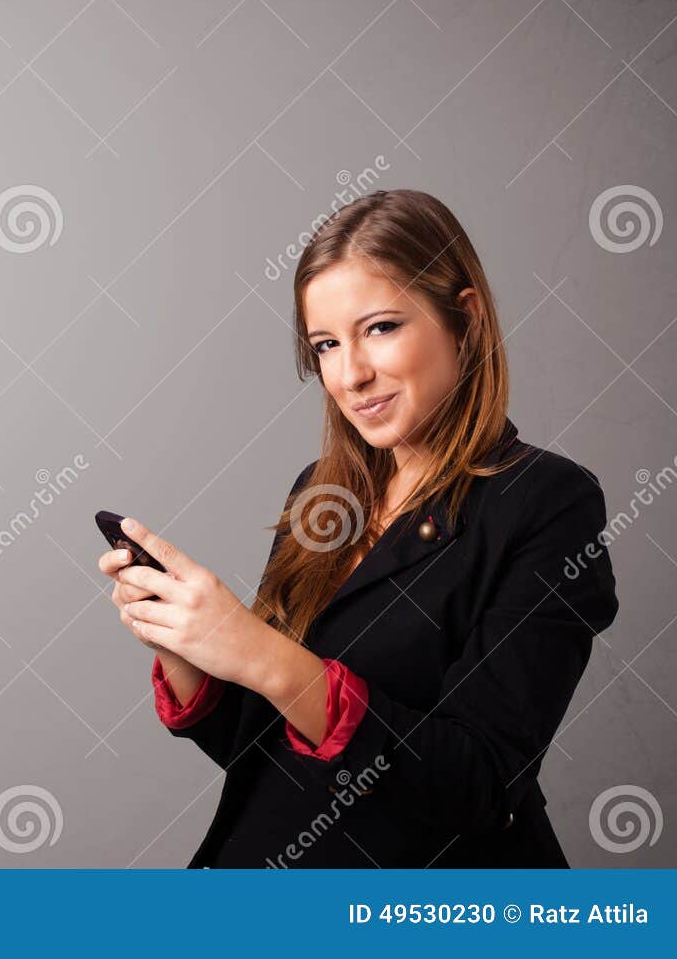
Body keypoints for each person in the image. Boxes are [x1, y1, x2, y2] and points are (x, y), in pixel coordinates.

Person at [98, 189, 618, 867]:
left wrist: (260, 652)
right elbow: (263, 750)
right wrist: (189, 648)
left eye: (380, 328)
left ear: (465, 319)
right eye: (325, 344)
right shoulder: (322, 494)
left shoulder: (547, 501)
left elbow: (480, 783)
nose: (351, 374)